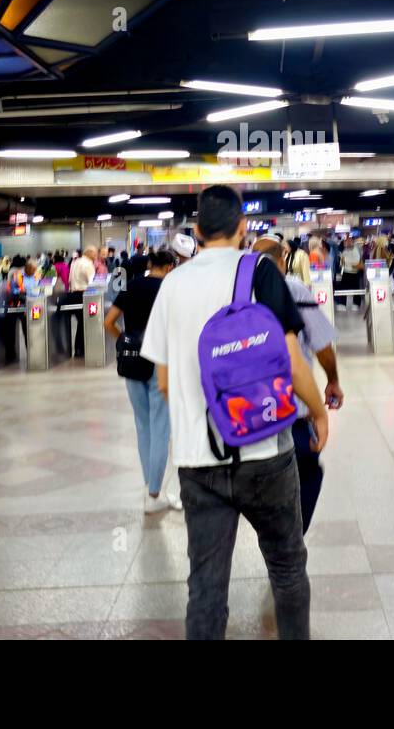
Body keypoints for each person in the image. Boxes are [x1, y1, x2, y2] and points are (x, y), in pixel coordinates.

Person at [140, 184, 328, 641]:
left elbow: (163, 383)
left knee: (205, 587)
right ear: (243, 227)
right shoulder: (260, 270)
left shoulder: (171, 286)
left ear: (198, 230)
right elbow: (292, 359)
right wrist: (318, 411)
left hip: (198, 464)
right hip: (265, 451)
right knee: (287, 567)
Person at [253, 236, 343, 531]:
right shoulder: (292, 288)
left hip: (250, 410)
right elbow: (321, 344)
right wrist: (333, 381)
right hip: (293, 408)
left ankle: (275, 539)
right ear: (282, 261)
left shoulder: (238, 292)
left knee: (262, 481)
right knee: (306, 471)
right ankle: (291, 540)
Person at [106, 249, 182, 513]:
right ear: (170, 266)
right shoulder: (169, 290)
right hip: (160, 362)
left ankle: (151, 485)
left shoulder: (132, 287)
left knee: (143, 426)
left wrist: (124, 339)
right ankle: (153, 494)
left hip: (132, 361)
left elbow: (108, 322)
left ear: (150, 264)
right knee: (161, 428)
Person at [68, 245, 96, 357]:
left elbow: (70, 279)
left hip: (73, 294)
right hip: (84, 294)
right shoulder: (88, 264)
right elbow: (92, 281)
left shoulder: (75, 262)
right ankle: (81, 349)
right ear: (89, 253)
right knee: (85, 322)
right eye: (95, 253)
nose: (96, 256)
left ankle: (79, 348)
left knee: (81, 322)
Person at [338, 236, 363, 310]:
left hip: (354, 273)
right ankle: (342, 304)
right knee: (343, 288)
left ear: (352, 242)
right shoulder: (345, 251)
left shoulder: (355, 250)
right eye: (345, 242)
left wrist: (346, 261)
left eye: (348, 242)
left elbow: (356, 261)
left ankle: (356, 304)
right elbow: (342, 261)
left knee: (355, 288)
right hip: (345, 271)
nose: (346, 243)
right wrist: (342, 261)